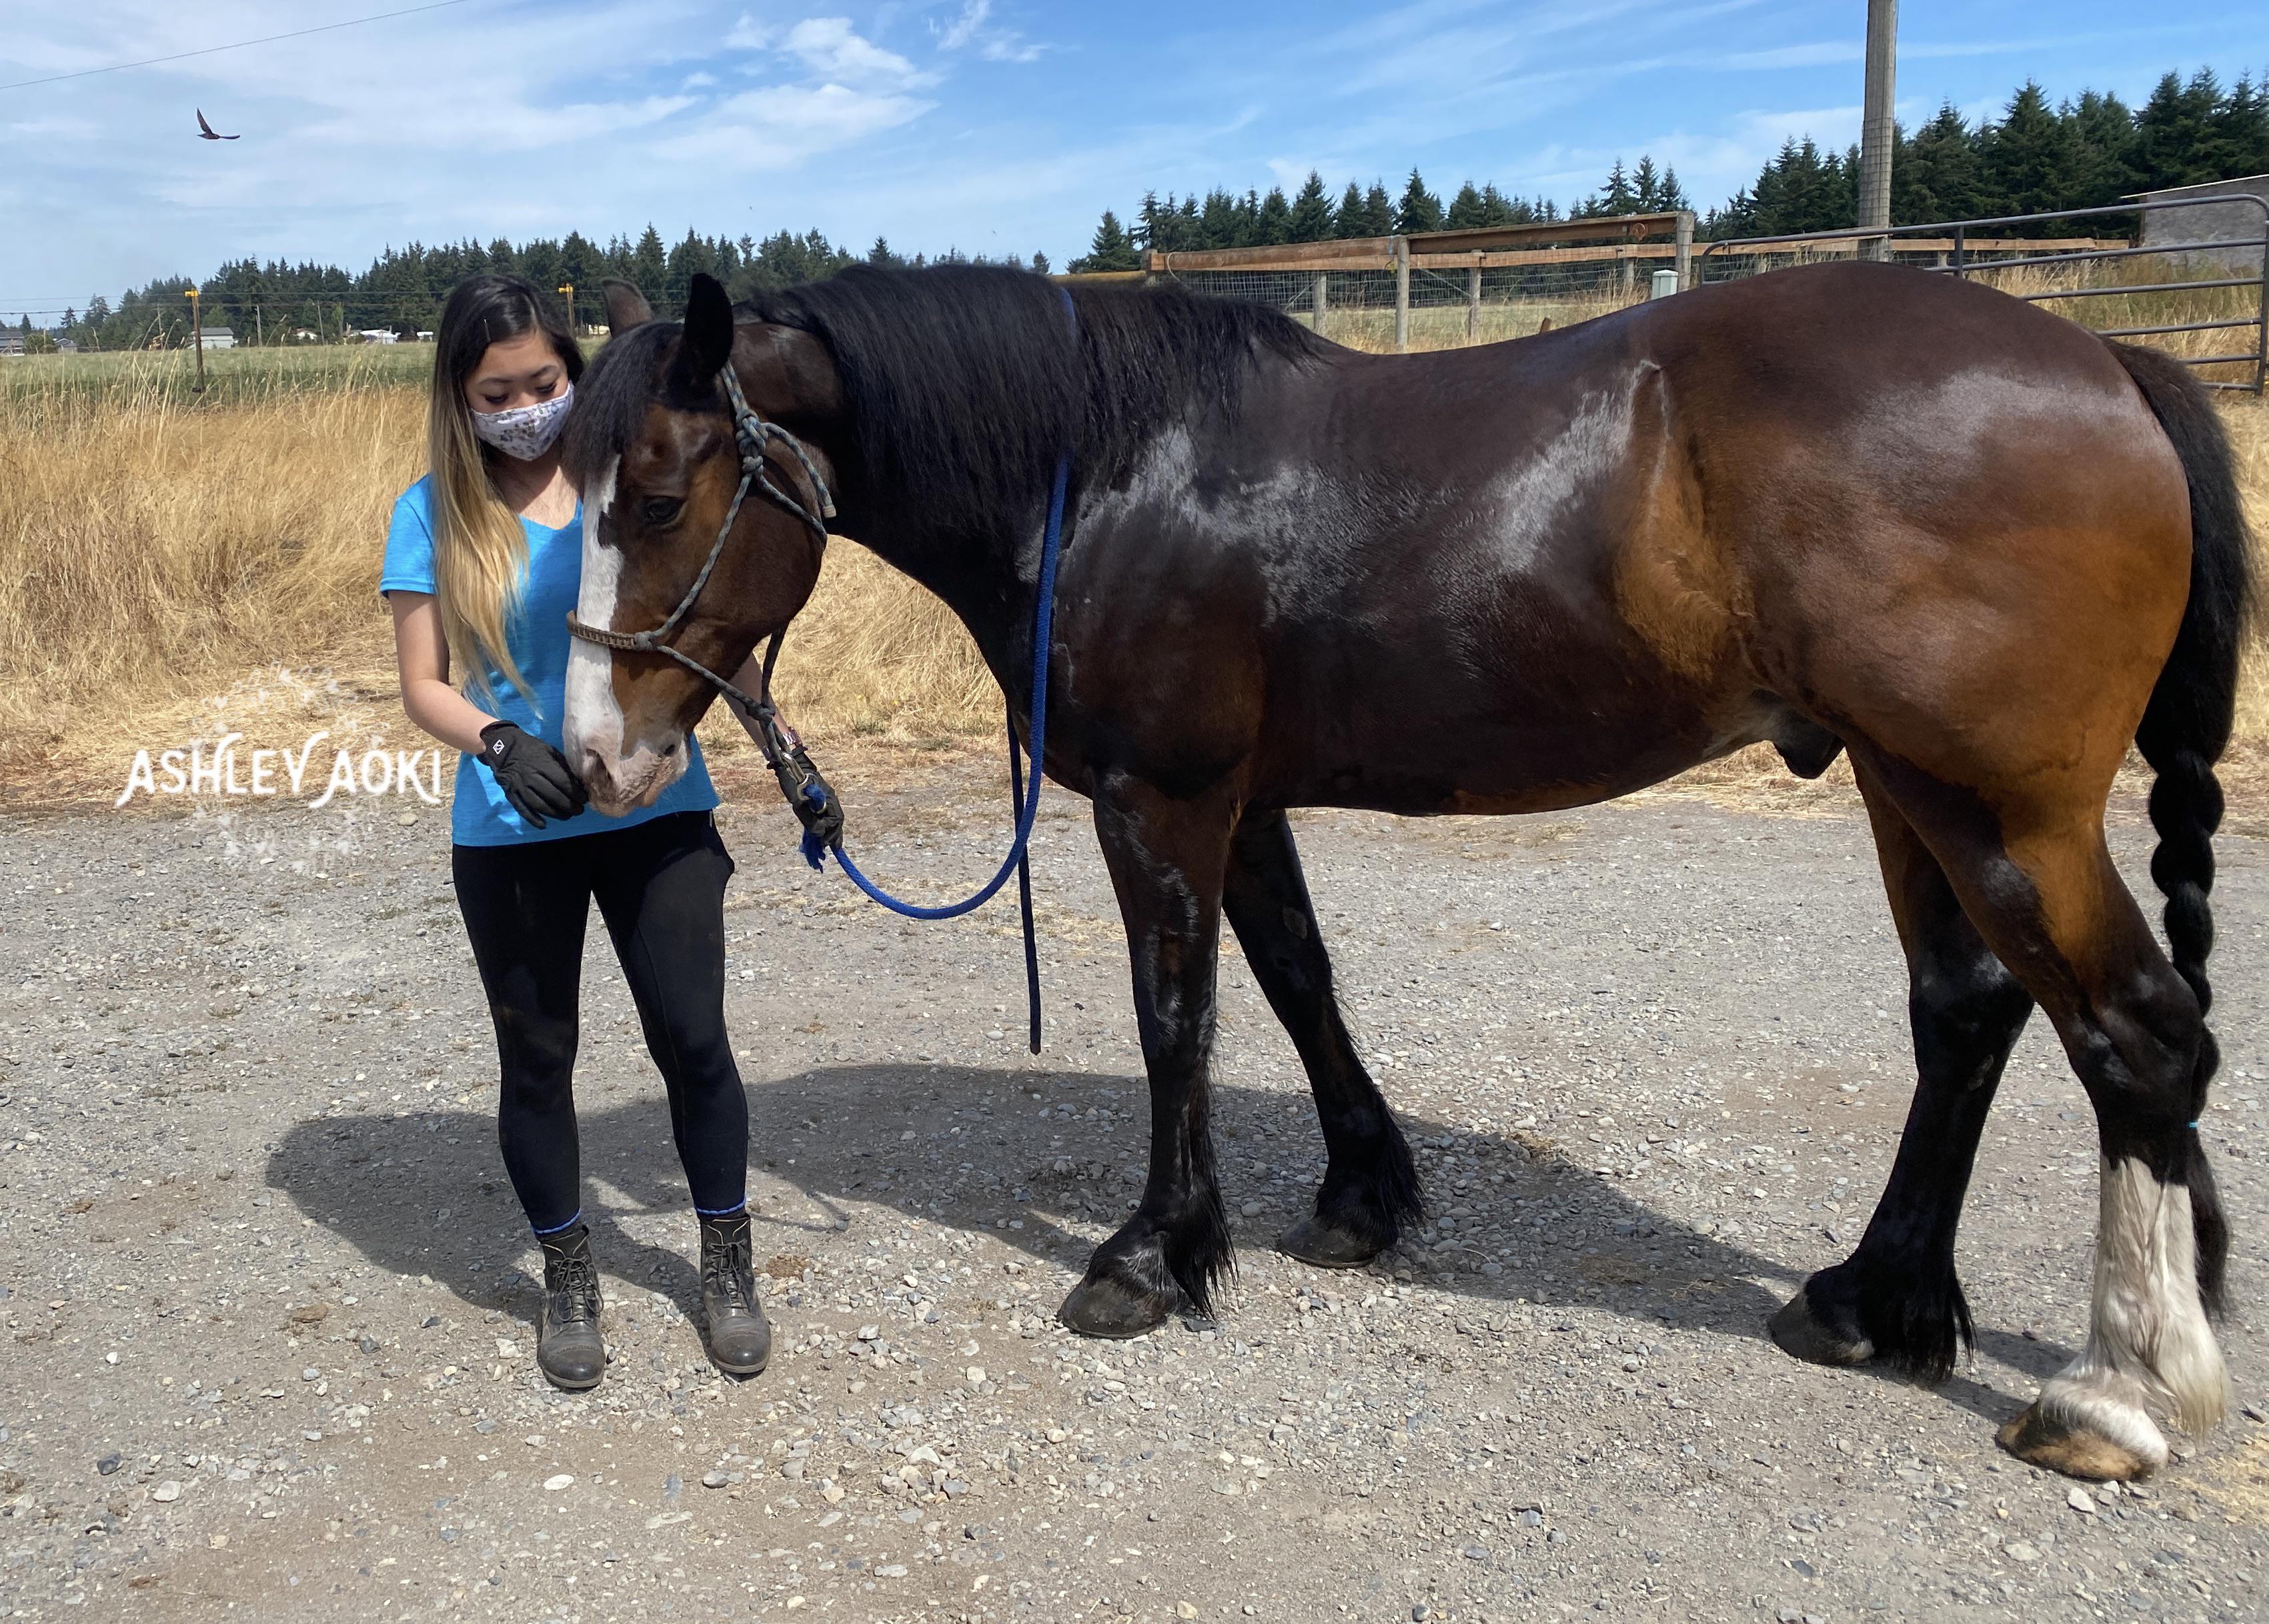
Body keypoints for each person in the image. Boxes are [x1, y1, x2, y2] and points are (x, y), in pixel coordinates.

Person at [378, 273, 804, 1391]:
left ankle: (725, 1265)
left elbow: (702, 624)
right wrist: (496, 745)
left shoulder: (625, 474)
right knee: (538, 1062)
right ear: (460, 398)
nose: (525, 406)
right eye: (497, 391)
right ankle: (568, 1277)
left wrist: (784, 749)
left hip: (657, 810)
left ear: (574, 373)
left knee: (695, 1043)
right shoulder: (431, 513)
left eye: (543, 382)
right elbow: (421, 683)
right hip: (514, 826)